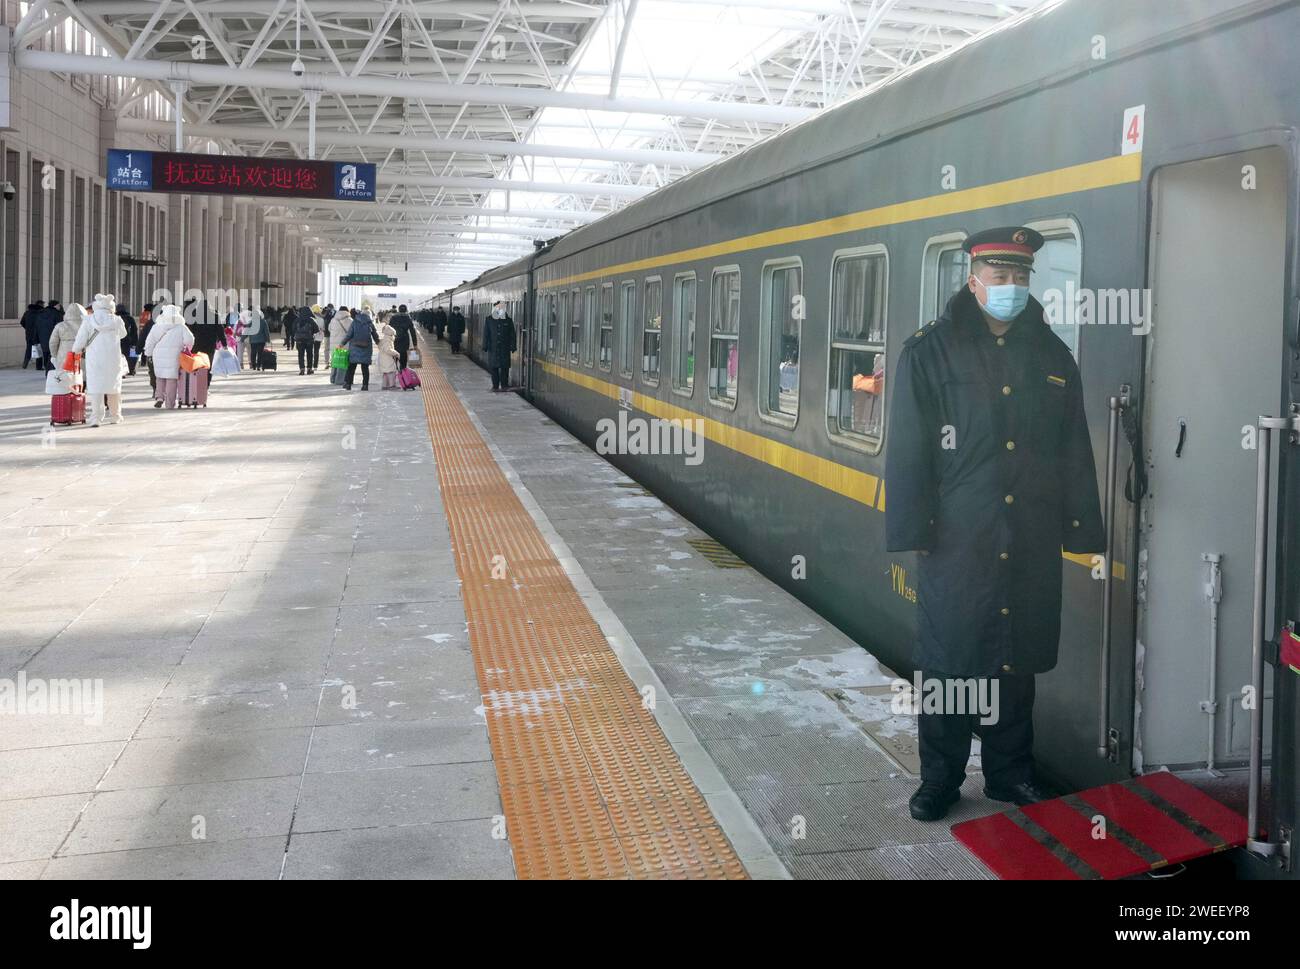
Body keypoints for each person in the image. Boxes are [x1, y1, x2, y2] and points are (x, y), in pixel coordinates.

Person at [884, 226, 1105, 822]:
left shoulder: (1052, 356)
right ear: (973, 280)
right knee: (951, 657)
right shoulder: (930, 351)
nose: (1010, 287)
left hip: (1030, 535)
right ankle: (940, 778)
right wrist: (913, 530)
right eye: (999, 276)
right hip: (959, 537)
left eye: (1020, 276)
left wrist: (1081, 527)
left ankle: (1010, 775)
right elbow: (907, 449)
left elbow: (1072, 448)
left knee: (1015, 658)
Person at [72, 294, 128, 426]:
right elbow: (123, 334)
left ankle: (96, 418)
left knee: (96, 389)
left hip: (95, 359)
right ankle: (115, 416)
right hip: (113, 359)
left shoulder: (88, 320)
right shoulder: (117, 320)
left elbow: (81, 338)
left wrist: (76, 350)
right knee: (114, 388)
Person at [144, 303, 195, 409]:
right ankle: (169, 404)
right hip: (174, 356)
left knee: (160, 377)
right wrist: (187, 349)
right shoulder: (181, 327)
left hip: (158, 355)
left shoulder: (157, 326)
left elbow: (149, 341)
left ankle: (159, 397)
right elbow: (190, 340)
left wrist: (148, 354)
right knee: (171, 379)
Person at [340, 308, 380, 391]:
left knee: (351, 367)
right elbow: (375, 334)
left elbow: (349, 335)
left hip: (354, 347)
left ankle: (348, 384)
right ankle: (365, 386)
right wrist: (378, 343)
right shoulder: (370, 323)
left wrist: (342, 344)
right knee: (365, 368)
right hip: (366, 347)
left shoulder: (355, 322)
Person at [482, 300, 516, 392]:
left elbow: (512, 334)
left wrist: (513, 346)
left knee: (505, 368)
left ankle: (504, 385)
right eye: (499, 307)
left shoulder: (508, 320)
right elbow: (486, 334)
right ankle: (495, 385)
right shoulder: (489, 319)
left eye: (502, 307)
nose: (501, 309)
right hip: (493, 348)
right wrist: (485, 346)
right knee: (494, 368)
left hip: (504, 348)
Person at [36, 300, 63, 372]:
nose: (59, 307)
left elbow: (37, 326)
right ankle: (50, 371)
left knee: (45, 354)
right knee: (53, 354)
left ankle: (46, 369)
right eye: (58, 305)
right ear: (55, 306)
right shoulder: (57, 314)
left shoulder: (40, 313)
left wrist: (36, 338)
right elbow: (60, 327)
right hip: (53, 338)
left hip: (42, 338)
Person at [390, 303, 418, 370]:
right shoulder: (408, 318)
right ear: (406, 310)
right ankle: (403, 372)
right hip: (405, 341)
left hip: (395, 339)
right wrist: (415, 344)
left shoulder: (393, 317)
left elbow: (389, 328)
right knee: (403, 358)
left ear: (399, 310)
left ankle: (395, 371)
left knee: (394, 356)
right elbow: (412, 332)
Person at [293, 306, 320, 374]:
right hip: (309, 340)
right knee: (310, 354)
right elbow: (317, 329)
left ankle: (302, 369)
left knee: (300, 355)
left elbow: (293, 329)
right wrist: (311, 333)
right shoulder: (311, 320)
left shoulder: (297, 320)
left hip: (299, 340)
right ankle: (309, 369)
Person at [376, 313, 399, 388]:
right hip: (387, 359)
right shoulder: (387, 340)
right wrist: (395, 353)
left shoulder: (385, 339)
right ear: (390, 334)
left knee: (386, 373)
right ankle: (392, 385)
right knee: (391, 372)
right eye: (393, 335)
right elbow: (387, 350)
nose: (394, 337)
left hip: (384, 358)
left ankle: (385, 385)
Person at [20, 300, 44, 369]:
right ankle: (38, 367)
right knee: (38, 348)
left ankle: (25, 364)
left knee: (28, 349)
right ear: (40, 305)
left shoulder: (27, 313)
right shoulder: (40, 313)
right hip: (37, 334)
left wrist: (27, 328)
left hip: (28, 334)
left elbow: (22, 322)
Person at [246, 305, 269, 370]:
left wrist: (242, 338)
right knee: (260, 353)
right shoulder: (263, 321)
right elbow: (266, 331)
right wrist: (268, 339)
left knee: (253, 353)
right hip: (261, 341)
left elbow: (246, 329)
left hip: (253, 340)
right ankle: (259, 365)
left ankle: (253, 366)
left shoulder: (251, 322)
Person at [119, 306, 139, 376]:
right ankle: (131, 370)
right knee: (132, 356)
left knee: (120, 357)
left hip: (119, 342)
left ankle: (122, 372)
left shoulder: (116, 318)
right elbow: (135, 330)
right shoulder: (130, 318)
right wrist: (135, 342)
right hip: (130, 342)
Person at [310, 304, 325, 371]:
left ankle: (310, 364)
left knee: (310, 351)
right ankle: (315, 365)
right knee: (316, 351)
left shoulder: (311, 318)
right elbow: (323, 328)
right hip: (319, 337)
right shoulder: (322, 319)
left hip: (311, 337)